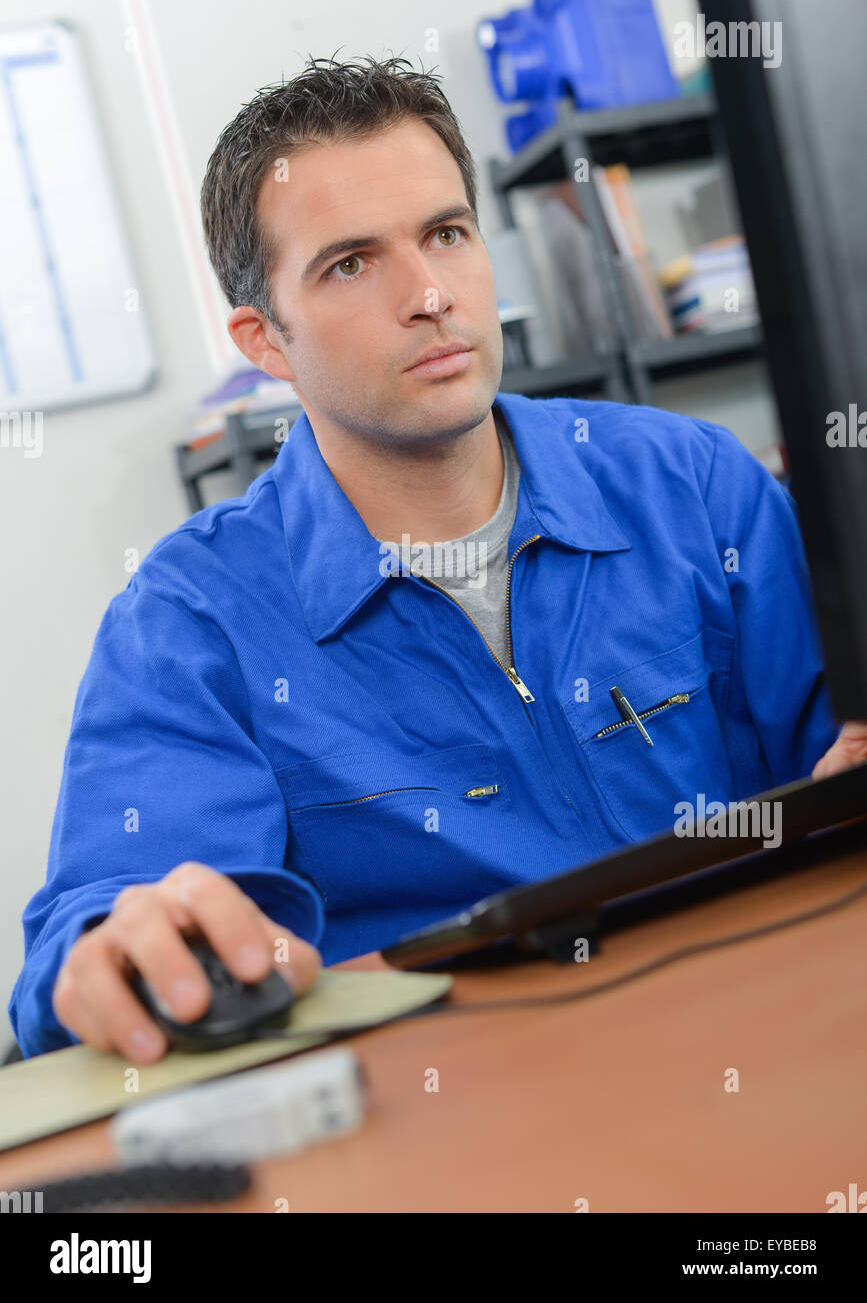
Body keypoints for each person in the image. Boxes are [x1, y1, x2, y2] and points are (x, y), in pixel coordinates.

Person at [10, 55, 866, 1062]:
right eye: (351, 263)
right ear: (266, 341)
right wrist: (121, 952)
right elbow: (110, 928)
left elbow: (834, 750)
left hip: (767, 1032)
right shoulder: (188, 622)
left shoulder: (688, 482)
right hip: (468, 1112)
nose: (427, 295)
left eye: (446, 234)